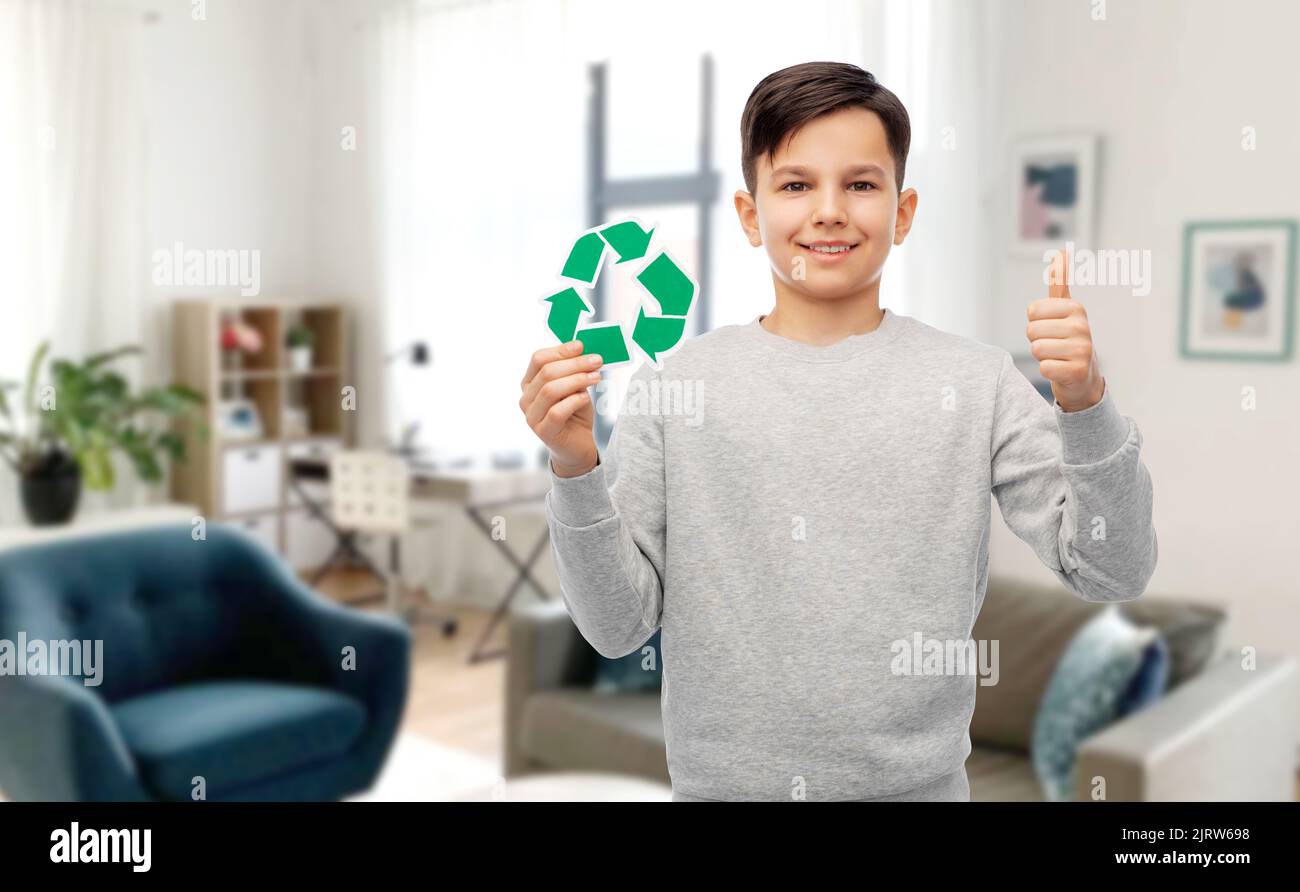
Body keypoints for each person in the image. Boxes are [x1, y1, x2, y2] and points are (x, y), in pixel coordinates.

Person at [517, 61, 1157, 802]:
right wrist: (574, 469)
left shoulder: (976, 383)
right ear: (751, 214)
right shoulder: (675, 389)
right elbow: (616, 627)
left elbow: (1114, 568)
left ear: (903, 210)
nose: (829, 211)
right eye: (795, 185)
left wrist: (1085, 404)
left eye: (860, 183)